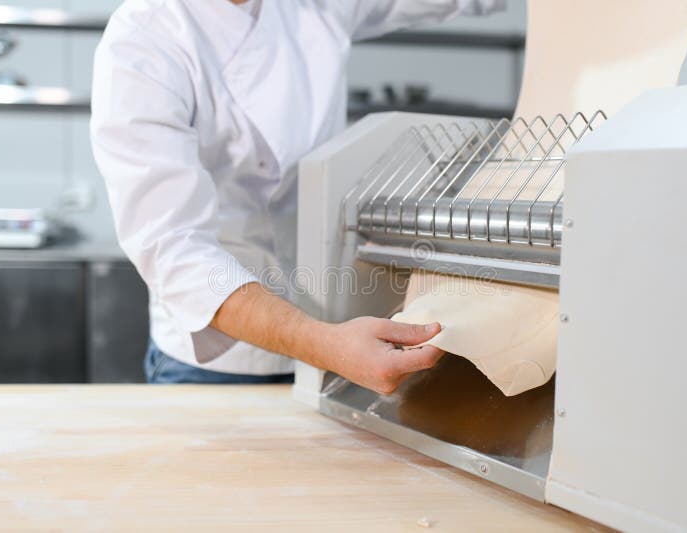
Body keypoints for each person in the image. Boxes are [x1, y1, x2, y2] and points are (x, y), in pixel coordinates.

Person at [91, 0, 504, 391]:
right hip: (218, 361)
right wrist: (324, 344)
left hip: (334, 330)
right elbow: (174, 250)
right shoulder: (145, 40)